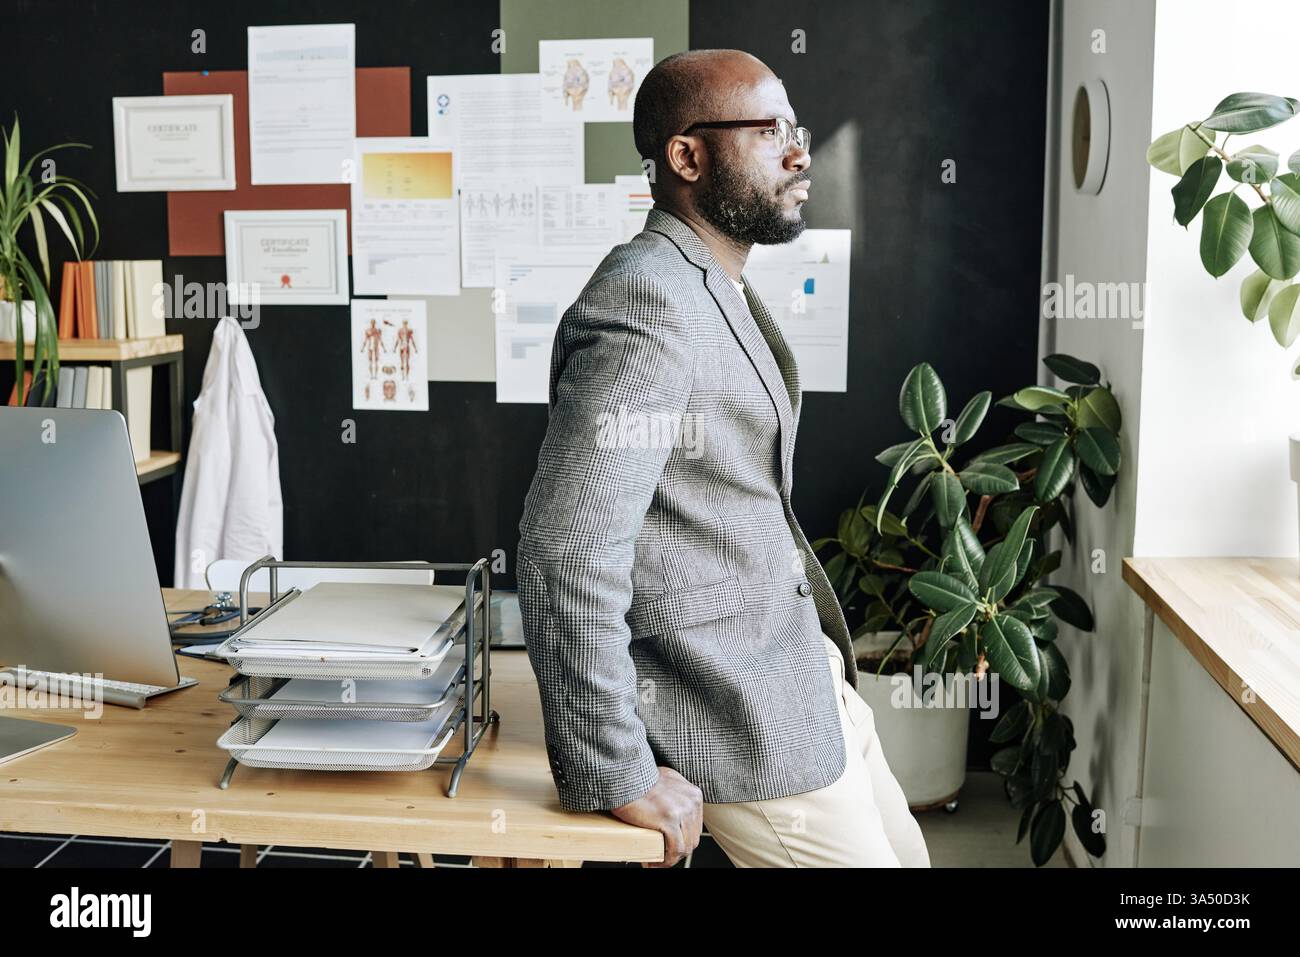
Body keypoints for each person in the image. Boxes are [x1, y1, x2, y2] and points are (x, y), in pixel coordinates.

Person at [516, 48, 930, 869]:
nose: (799, 150)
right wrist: (616, 768)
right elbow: (566, 549)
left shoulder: (709, 280)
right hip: (735, 717)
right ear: (686, 156)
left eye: (797, 127)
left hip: (804, 685)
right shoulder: (649, 300)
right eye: (769, 129)